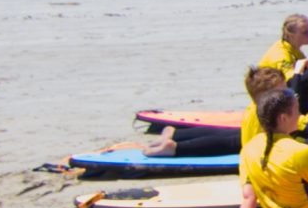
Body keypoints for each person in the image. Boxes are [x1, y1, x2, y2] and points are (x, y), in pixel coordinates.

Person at [123, 65, 286, 158]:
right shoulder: (269, 110)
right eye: (283, 91)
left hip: (250, 135)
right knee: (228, 142)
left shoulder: (256, 105)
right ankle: (175, 147)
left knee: (228, 135)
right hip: (254, 146)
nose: (287, 93)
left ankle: (176, 135)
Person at [259, 14, 308, 113]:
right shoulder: (280, 54)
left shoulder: (294, 50)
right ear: (291, 34)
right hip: (273, 104)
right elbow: (293, 82)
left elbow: (306, 74)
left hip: (287, 95)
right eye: (305, 32)